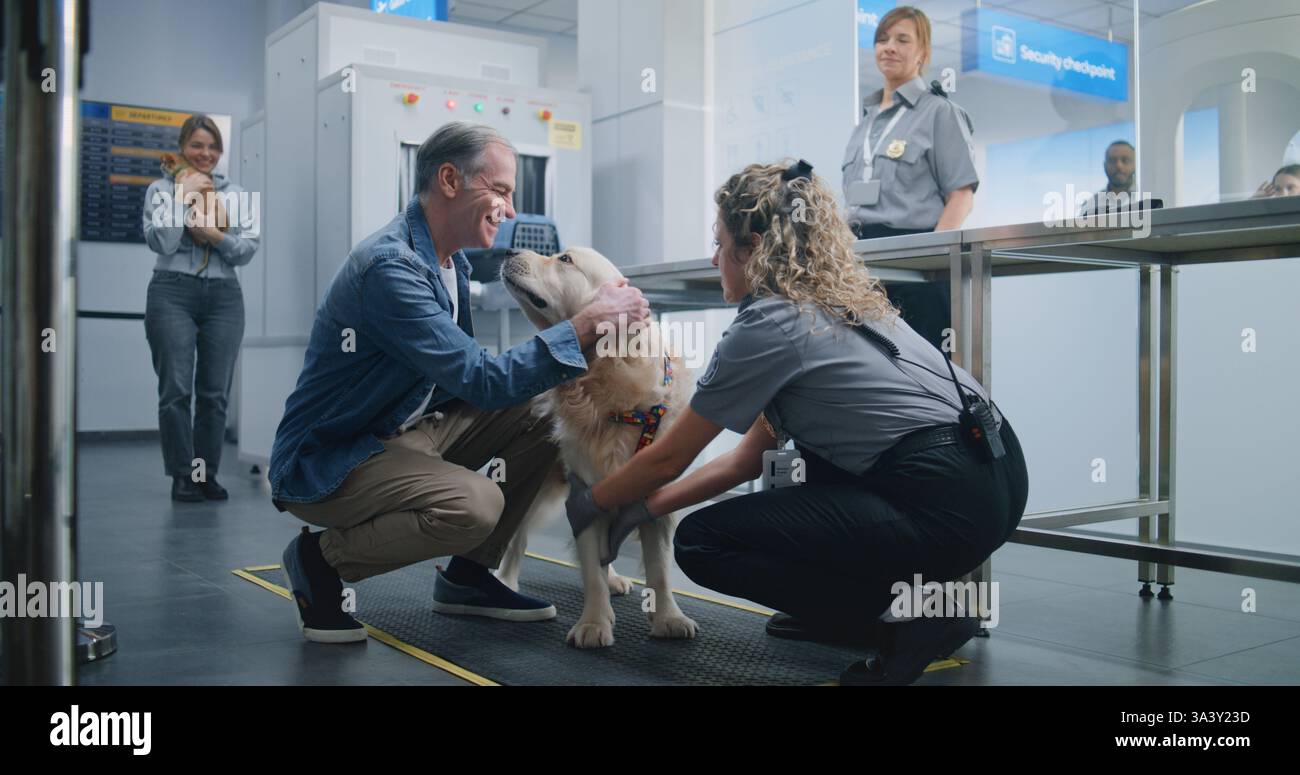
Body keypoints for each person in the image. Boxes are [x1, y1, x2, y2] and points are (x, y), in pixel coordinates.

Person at [565, 159, 1028, 685]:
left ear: (754, 247)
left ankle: (909, 613)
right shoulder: (838, 301)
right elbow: (746, 461)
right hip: (999, 474)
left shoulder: (766, 325)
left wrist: (592, 504)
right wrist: (642, 509)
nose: (715, 257)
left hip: (942, 492)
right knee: (810, 461)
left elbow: (672, 456)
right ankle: (866, 612)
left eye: (720, 243)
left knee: (704, 542)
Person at [267, 122, 649, 643]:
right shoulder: (391, 268)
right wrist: (584, 323)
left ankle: (469, 578)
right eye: (501, 191)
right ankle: (320, 561)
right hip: (333, 459)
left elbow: (476, 378)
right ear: (449, 179)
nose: (510, 210)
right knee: (475, 505)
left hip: (405, 432)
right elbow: (479, 379)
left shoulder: (450, 263)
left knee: (541, 411)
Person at [841, 5, 978, 351]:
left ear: (923, 53)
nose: (889, 47)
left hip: (915, 265)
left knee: (924, 376)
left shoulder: (939, 112)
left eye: (902, 40)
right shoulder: (865, 123)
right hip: (861, 267)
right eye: (882, 39)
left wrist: (932, 260)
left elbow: (961, 195)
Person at [142, 114, 259, 502]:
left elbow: (245, 251)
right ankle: (181, 475)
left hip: (224, 296)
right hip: (172, 292)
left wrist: (212, 234)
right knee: (175, 389)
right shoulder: (160, 190)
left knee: (214, 394)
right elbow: (164, 242)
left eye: (213, 147)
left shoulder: (239, 194)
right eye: (197, 145)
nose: (205, 153)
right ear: (182, 148)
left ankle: (204, 472)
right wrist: (182, 195)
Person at [1079, 140, 1136, 216]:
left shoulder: (1147, 198)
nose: (1119, 166)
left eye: (1125, 160)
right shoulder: (1090, 205)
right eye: (1112, 161)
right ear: (1105, 166)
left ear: (1136, 164)